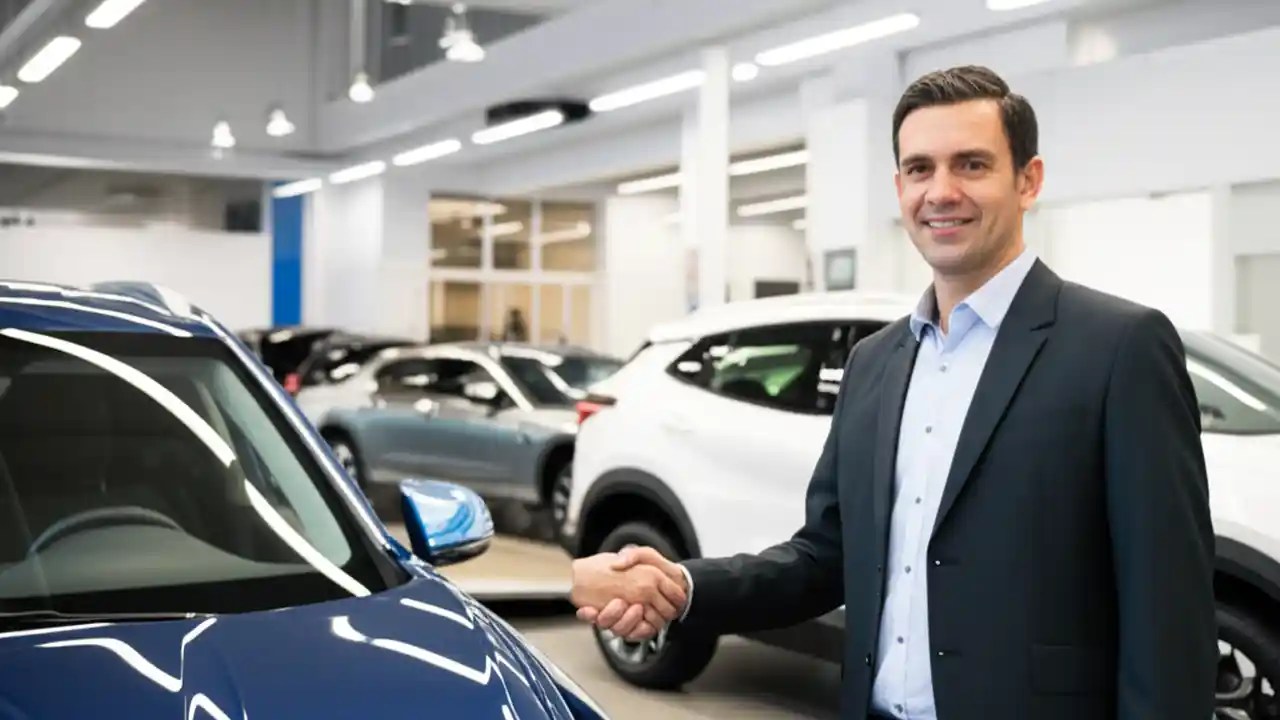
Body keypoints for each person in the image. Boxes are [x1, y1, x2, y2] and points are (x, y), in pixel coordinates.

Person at [569, 65, 1217, 719]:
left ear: (1029, 180)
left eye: (971, 164)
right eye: (919, 168)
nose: (942, 191)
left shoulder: (1118, 349)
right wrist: (683, 586)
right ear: (899, 186)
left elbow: (1167, 610)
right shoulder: (875, 364)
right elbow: (825, 557)